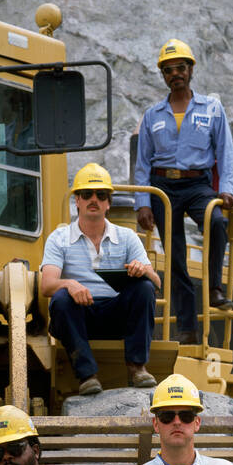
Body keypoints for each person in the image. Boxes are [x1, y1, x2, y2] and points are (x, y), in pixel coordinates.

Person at [134, 39, 233, 344]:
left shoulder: (212, 109)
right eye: (168, 70)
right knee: (176, 257)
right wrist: (143, 203)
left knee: (216, 221)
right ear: (163, 76)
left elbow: (226, 154)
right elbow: (142, 163)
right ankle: (188, 329)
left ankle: (214, 288)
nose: (175, 74)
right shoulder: (152, 115)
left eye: (180, 68)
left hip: (197, 185)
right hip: (162, 187)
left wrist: (227, 190)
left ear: (191, 70)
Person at [40, 163, 161, 395]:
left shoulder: (127, 237)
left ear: (108, 203)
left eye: (101, 195)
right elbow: (47, 285)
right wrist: (70, 283)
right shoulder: (59, 238)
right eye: (87, 194)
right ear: (77, 200)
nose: (93, 200)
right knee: (61, 298)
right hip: (78, 317)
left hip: (117, 316)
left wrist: (144, 270)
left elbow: (156, 283)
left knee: (144, 287)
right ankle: (87, 376)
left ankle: (137, 368)